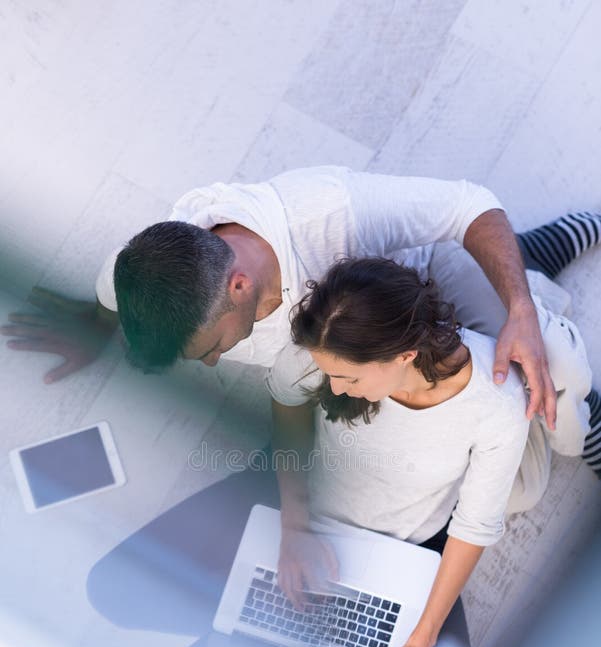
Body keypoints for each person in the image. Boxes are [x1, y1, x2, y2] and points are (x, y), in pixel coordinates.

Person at [2, 168, 600, 471]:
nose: (214, 362)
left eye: (209, 348)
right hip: (360, 361)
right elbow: (110, 296)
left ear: (238, 286)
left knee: (533, 368)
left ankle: (527, 271)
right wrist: (95, 328)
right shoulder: (132, 274)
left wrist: (519, 312)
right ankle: (526, 258)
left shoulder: (334, 212)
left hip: (417, 290)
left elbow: (471, 203)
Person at [265, 256, 592, 647]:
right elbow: (286, 395)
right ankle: (518, 270)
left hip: (414, 541)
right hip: (318, 519)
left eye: (349, 380)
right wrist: (293, 525)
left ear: (403, 356)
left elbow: (475, 524)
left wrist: (422, 638)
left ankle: (534, 297)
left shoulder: (494, 403)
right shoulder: (327, 347)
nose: (332, 387)